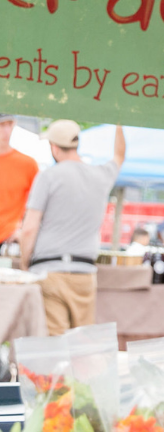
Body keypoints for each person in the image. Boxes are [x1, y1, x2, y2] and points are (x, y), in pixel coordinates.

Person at [19, 120, 126, 335]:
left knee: (54, 346)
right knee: (82, 345)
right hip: (85, 274)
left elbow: (29, 228)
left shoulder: (48, 176)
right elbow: (119, 156)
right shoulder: (100, 175)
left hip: (49, 272)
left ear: (54, 148)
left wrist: (24, 264)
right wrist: (119, 122)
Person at [0, 113, 39, 246]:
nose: (6, 131)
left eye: (9, 124)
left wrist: (23, 228)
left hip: (10, 240)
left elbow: (40, 203)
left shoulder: (27, 164)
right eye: (1, 125)